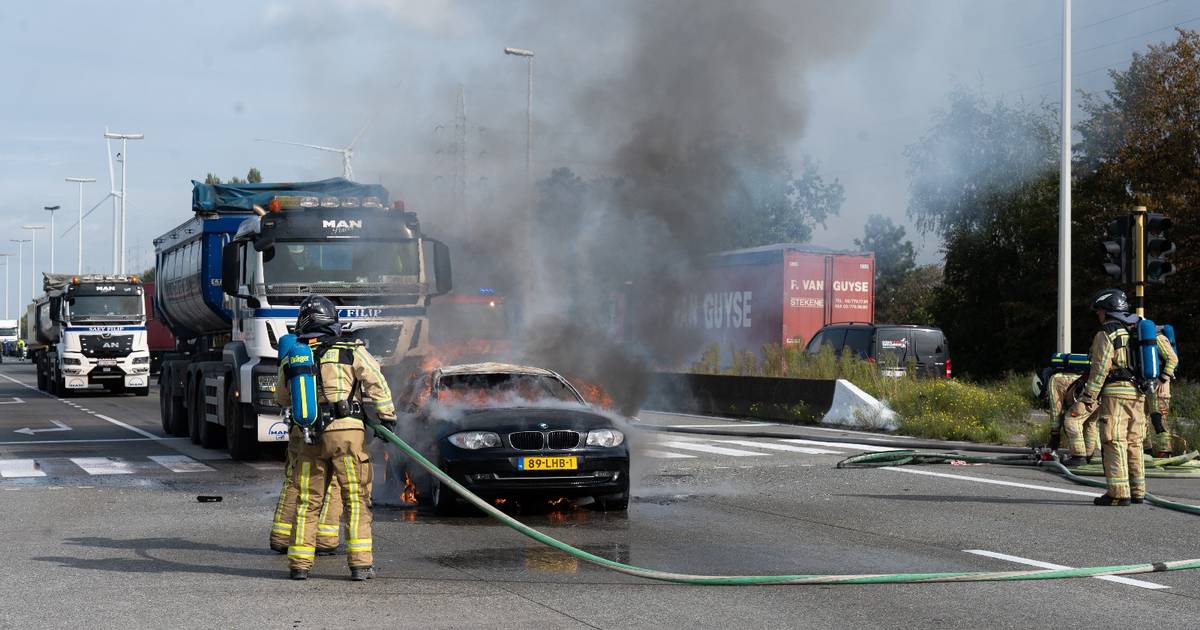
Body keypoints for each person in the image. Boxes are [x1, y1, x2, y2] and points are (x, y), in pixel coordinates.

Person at [274, 295, 396, 580]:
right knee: (355, 498)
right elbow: (376, 382)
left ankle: (300, 566)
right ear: (333, 323)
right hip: (346, 434)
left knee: (308, 500)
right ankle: (360, 565)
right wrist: (387, 417)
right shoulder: (351, 350)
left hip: (308, 436)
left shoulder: (296, 356)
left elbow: (281, 397)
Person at [1069, 289, 1147, 506]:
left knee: (1114, 441)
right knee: (1134, 442)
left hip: (1115, 395)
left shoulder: (1107, 333)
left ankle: (1118, 494)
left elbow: (1100, 368)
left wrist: (1088, 397)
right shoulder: (1135, 330)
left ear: (1107, 311)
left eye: (1099, 311)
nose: (1098, 315)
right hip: (1138, 394)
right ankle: (1138, 490)